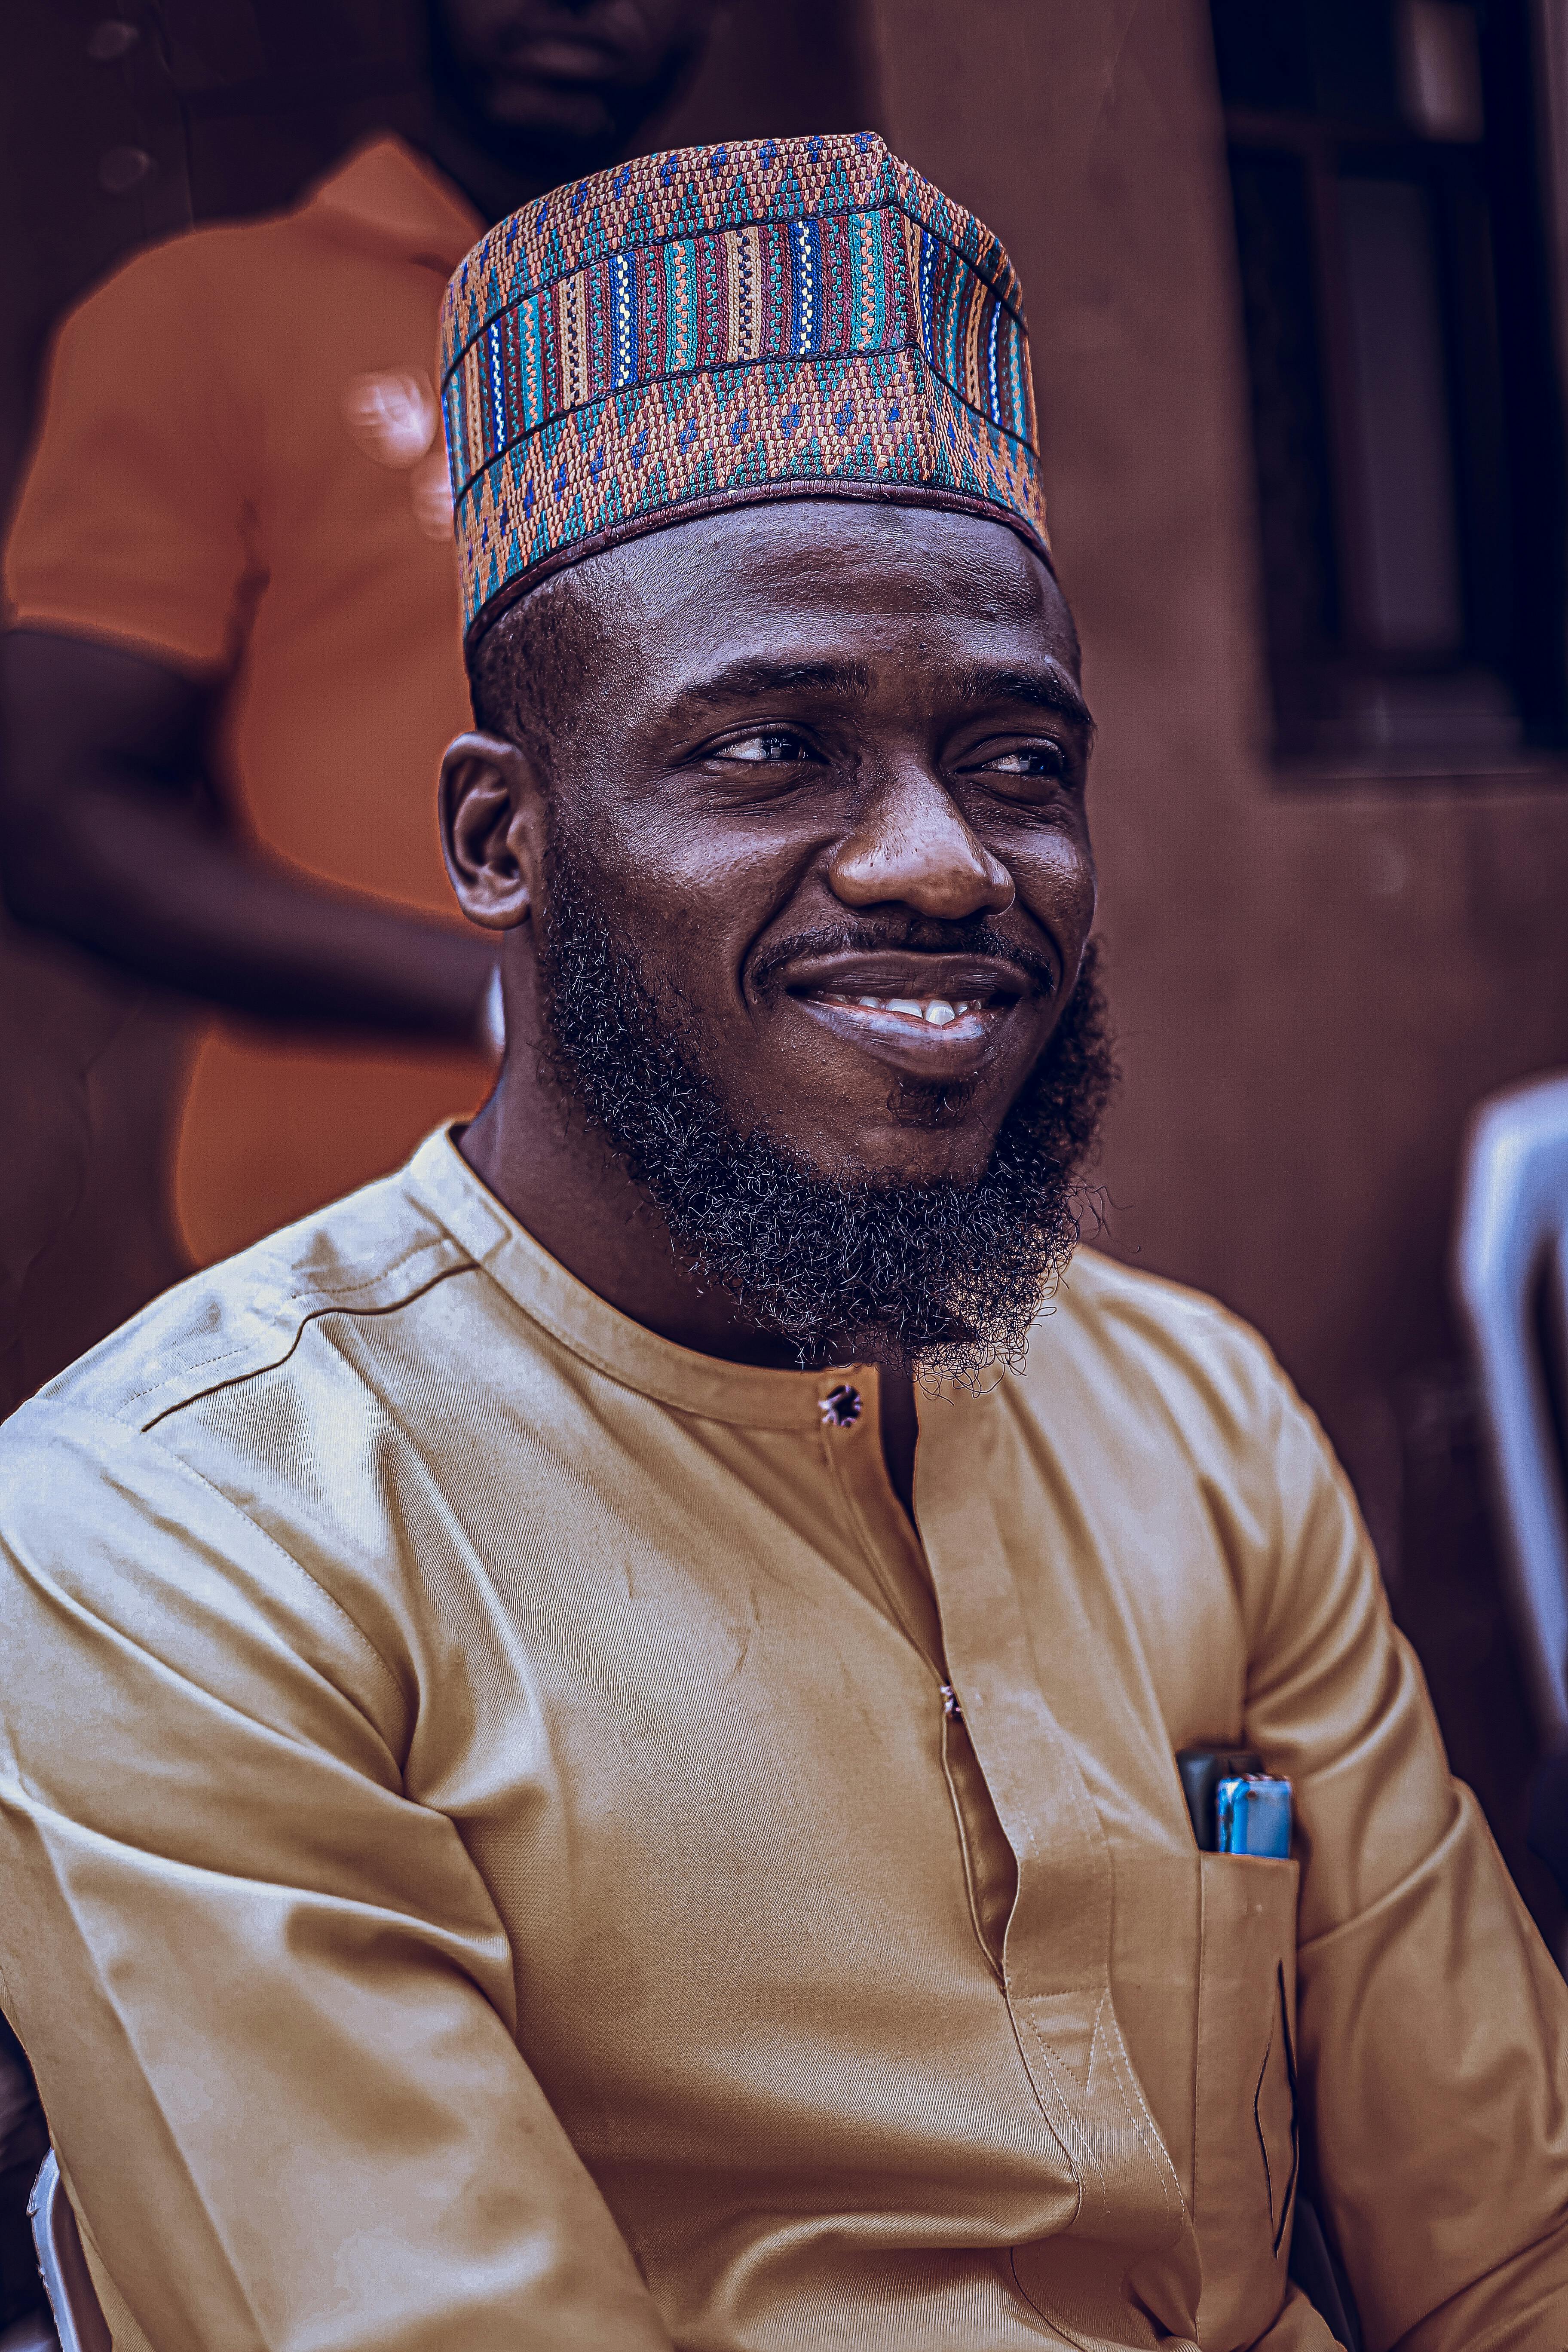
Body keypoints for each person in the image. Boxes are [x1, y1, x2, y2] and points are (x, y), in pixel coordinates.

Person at [2, 130, 1566, 2352]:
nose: (946, 862)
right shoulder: (171, 1548)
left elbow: (1513, 2249)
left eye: (1021, 762)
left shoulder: (1199, 1417)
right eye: (772, 748)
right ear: (500, 839)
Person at [0, 0, 718, 1275]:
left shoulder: (756, 346)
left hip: (728, 1218)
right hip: (351, 1230)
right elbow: (48, 816)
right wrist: (502, 996)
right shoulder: (201, 314)